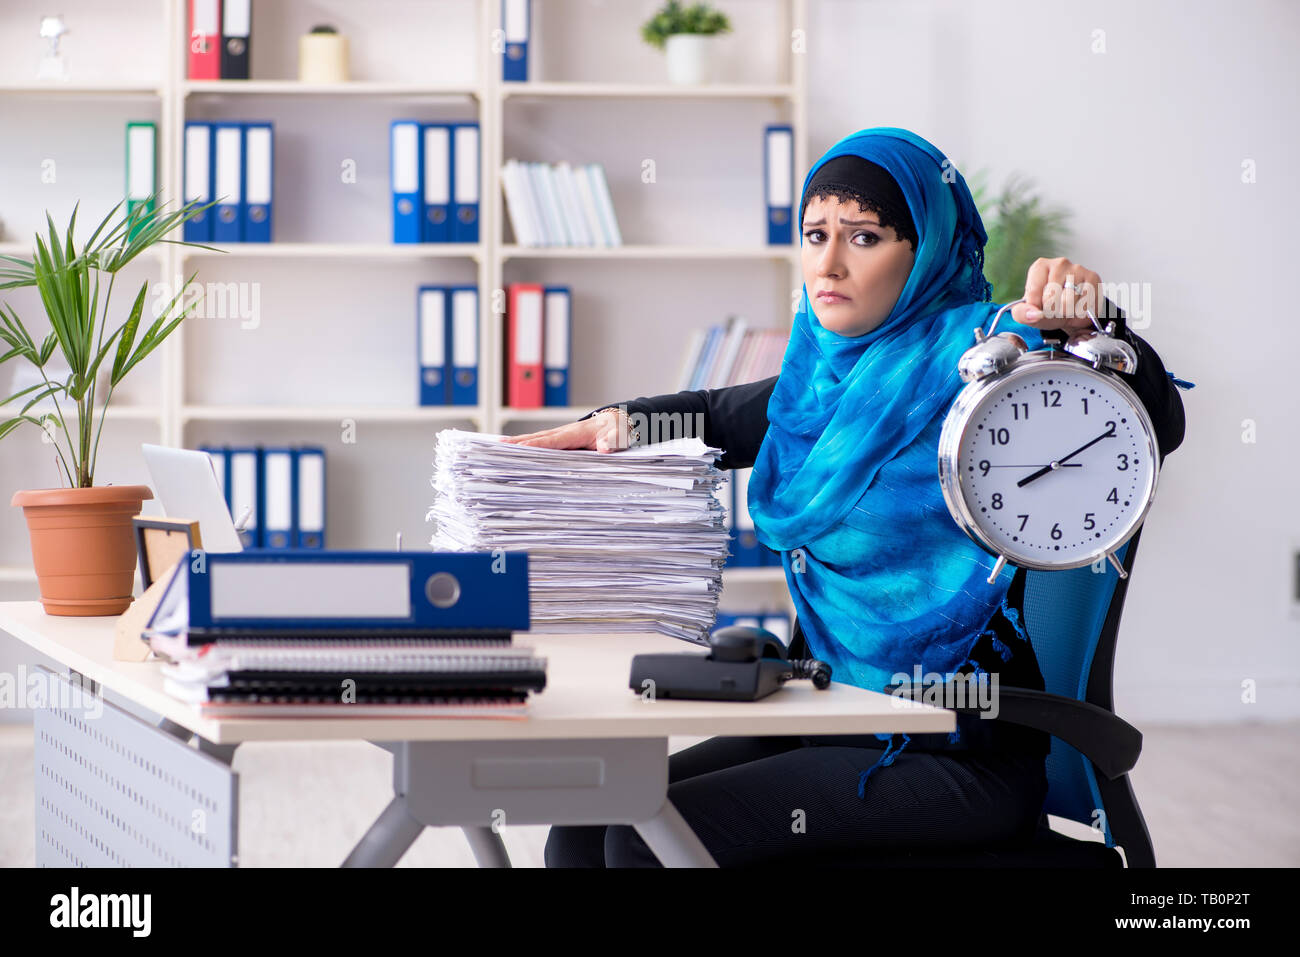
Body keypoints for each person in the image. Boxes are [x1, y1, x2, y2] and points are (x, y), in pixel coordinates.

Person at [504, 127, 1190, 868]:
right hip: (831, 713)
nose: (827, 262)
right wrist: (611, 426)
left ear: (925, 246)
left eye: (864, 237)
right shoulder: (826, 384)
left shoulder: (994, 364)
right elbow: (719, 414)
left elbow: (1151, 416)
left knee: (646, 843)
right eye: (814, 233)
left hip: (956, 751)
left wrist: (1097, 322)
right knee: (580, 833)